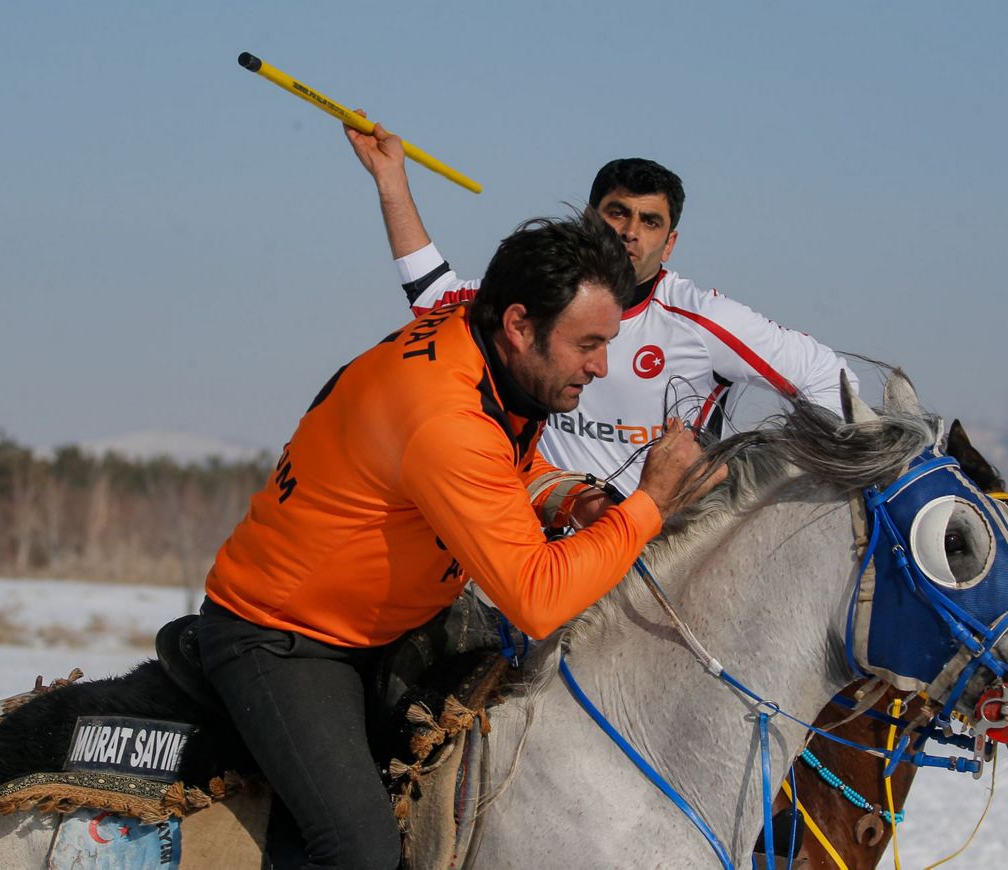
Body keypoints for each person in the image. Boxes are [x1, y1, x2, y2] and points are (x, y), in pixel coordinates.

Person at [197, 211, 725, 869]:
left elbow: (507, 466)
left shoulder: (476, 349)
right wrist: (650, 504)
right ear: (519, 325)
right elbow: (535, 596)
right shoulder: (447, 416)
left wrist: (572, 497)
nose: (600, 365)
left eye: (609, 341)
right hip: (283, 637)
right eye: (587, 343)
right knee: (360, 850)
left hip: (387, 624)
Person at [347, 119, 859, 492]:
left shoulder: (703, 320)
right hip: (546, 538)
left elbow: (825, 376)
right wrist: (390, 180)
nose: (630, 233)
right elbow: (435, 300)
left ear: (670, 243)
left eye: (649, 221)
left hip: (660, 557)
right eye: (618, 212)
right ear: (590, 218)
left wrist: (781, 479)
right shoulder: (542, 294)